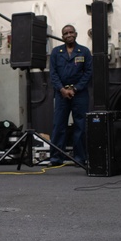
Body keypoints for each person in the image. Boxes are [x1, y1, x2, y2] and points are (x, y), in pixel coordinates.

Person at [48, 24, 93, 166]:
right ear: (62, 37)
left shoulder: (84, 51)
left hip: (79, 94)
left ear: (76, 34)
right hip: (61, 94)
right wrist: (62, 90)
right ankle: (56, 158)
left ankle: (80, 158)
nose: (68, 35)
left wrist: (75, 88)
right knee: (58, 126)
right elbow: (53, 74)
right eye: (65, 33)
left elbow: (88, 73)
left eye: (71, 32)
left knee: (80, 126)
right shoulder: (56, 52)